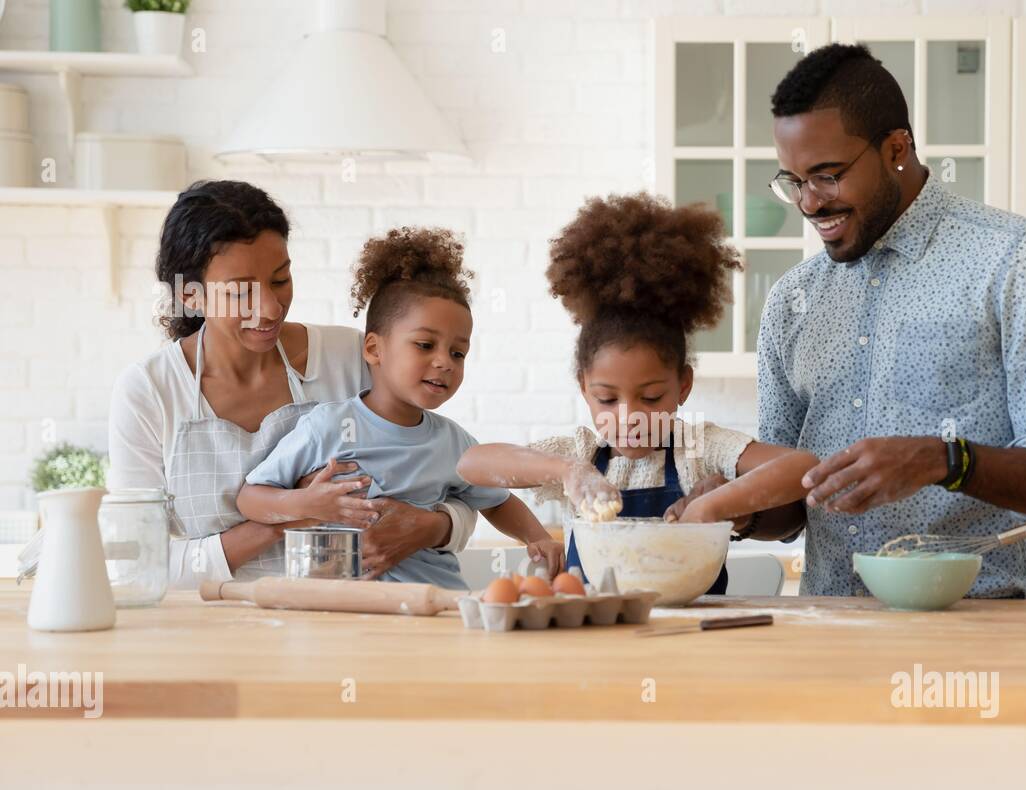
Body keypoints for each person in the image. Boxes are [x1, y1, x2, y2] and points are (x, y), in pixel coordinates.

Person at [757, 44, 1026, 597]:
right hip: (830, 636)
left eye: (827, 176)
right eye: (794, 181)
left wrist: (944, 460)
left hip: (989, 632)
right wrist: (730, 507)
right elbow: (785, 497)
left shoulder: (1018, 260)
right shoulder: (792, 300)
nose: (809, 203)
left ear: (897, 148)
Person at [107, 181, 476, 587]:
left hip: (347, 631)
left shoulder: (348, 357)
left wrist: (432, 527)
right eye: (240, 292)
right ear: (192, 297)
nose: (269, 309)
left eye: (280, 280)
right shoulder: (150, 391)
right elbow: (138, 565)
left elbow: (448, 479)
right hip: (214, 636)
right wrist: (289, 516)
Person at [457, 193, 819, 591]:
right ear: (584, 388)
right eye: (607, 399)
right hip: (597, 634)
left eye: (650, 398)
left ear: (683, 385)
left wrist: (717, 505)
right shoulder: (582, 454)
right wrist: (568, 471)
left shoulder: (696, 446)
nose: (629, 416)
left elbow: (802, 466)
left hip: (694, 635)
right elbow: (472, 464)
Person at [237, 227, 562, 586]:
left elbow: (497, 500)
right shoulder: (327, 426)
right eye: (425, 345)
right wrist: (307, 504)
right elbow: (252, 498)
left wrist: (538, 538)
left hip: (434, 605)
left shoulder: (454, 442)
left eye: (458, 352)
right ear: (374, 349)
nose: (445, 362)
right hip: (340, 614)